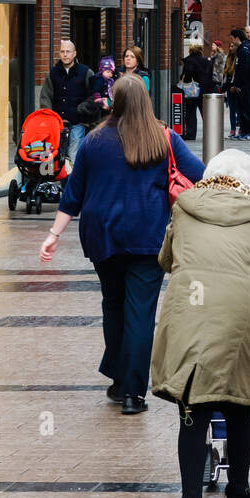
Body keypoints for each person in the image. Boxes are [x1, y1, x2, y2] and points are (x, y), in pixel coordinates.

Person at [150, 149, 250, 498]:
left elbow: (165, 260)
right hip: (238, 320)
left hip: (189, 316)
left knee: (193, 411)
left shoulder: (184, 207)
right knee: (236, 406)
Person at [39, 75, 204, 414]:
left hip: (103, 236)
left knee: (113, 306)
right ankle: (133, 393)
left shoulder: (94, 141)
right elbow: (201, 174)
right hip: (148, 237)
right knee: (140, 314)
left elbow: (74, 195)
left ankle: (117, 379)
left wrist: (53, 236)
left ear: (114, 102)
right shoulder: (164, 138)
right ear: (145, 100)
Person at [39, 40, 94, 167]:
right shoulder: (52, 73)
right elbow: (45, 97)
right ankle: (54, 184)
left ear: (74, 54)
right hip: (56, 124)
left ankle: (71, 184)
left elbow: (94, 96)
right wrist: (50, 116)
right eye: (62, 52)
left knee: (74, 156)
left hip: (77, 123)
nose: (65, 55)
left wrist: (82, 109)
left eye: (68, 52)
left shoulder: (85, 72)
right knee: (54, 156)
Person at [179, 43, 214, 142]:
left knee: (190, 113)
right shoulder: (206, 61)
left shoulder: (189, 61)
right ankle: (210, 133)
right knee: (205, 113)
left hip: (193, 91)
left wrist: (183, 79)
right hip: (205, 90)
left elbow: (188, 74)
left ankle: (191, 134)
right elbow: (210, 75)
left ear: (190, 50)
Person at [229, 27, 250, 140]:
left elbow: (244, 70)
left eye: (231, 38)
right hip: (241, 85)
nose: (231, 40)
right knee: (241, 110)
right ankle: (244, 132)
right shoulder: (241, 49)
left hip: (245, 85)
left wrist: (238, 85)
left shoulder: (244, 50)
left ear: (236, 38)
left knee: (247, 109)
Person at [223, 38, 239, 138]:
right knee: (232, 110)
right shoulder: (228, 58)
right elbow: (225, 75)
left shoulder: (238, 58)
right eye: (230, 46)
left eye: (233, 46)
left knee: (239, 110)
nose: (231, 48)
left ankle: (241, 129)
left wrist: (235, 85)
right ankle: (233, 130)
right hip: (229, 88)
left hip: (236, 87)